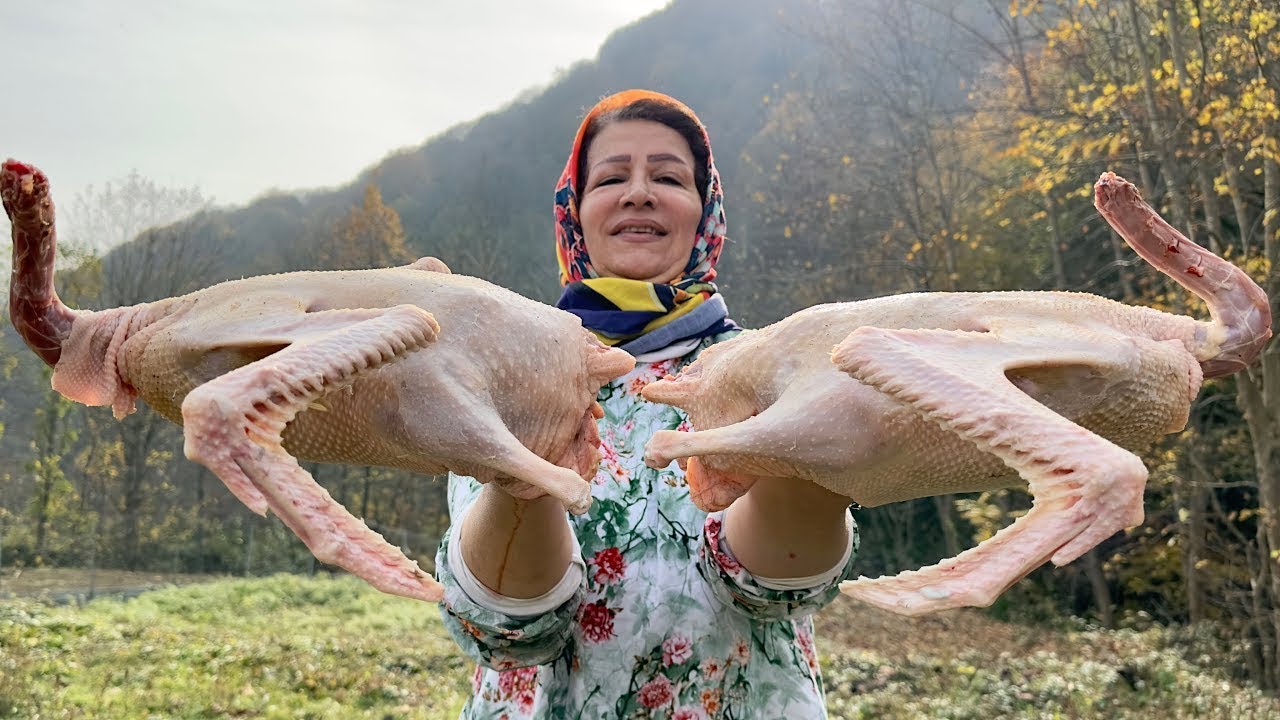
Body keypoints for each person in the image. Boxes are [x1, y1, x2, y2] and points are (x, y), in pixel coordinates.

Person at [435, 89, 857, 719]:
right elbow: (500, 625)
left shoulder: (767, 370)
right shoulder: (512, 369)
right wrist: (524, 478)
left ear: (704, 210)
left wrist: (811, 454)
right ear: (575, 212)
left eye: (667, 176)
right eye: (611, 178)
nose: (639, 192)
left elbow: (777, 589)